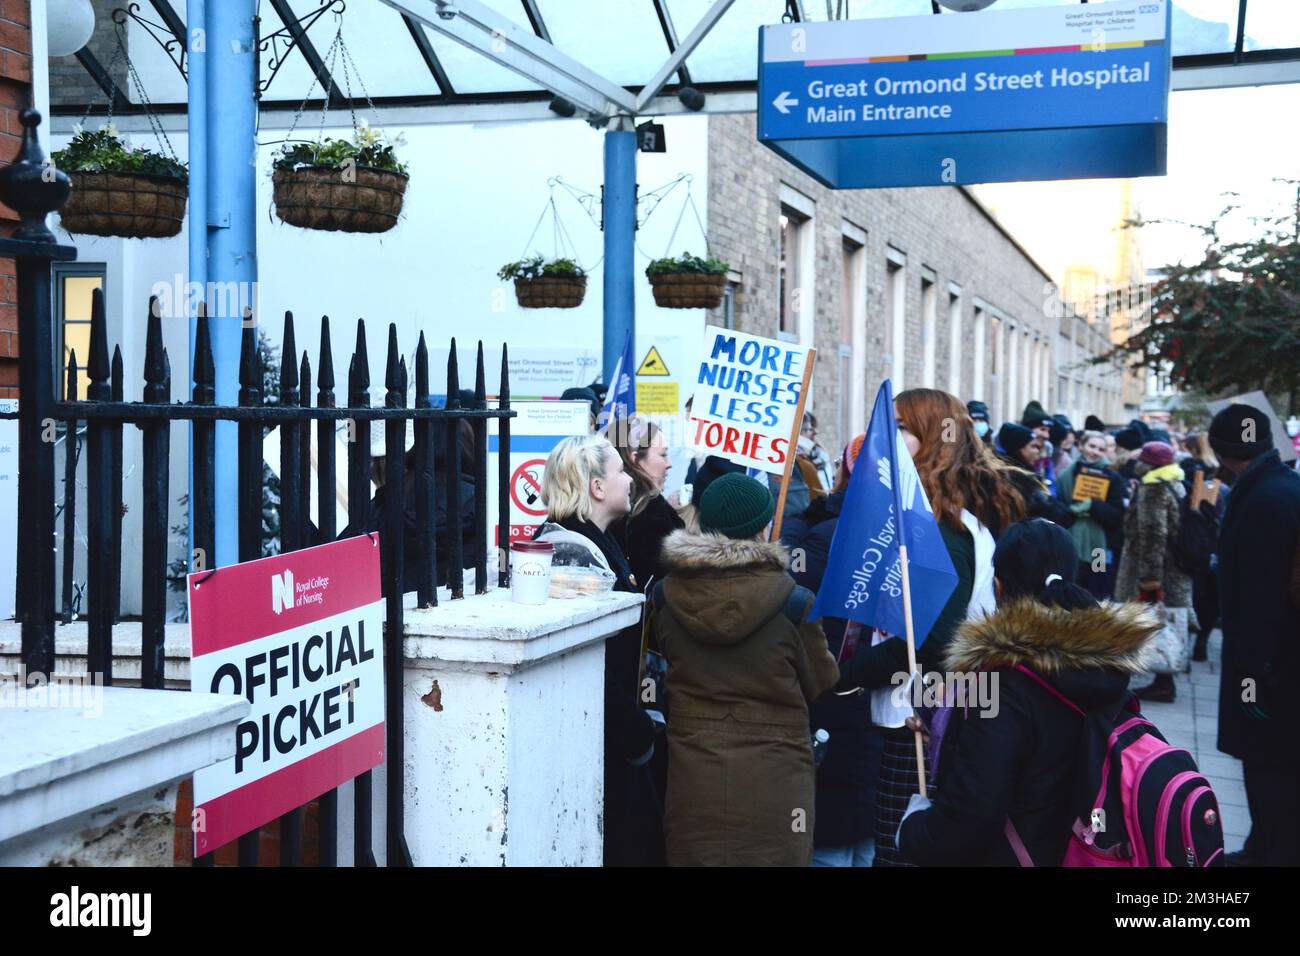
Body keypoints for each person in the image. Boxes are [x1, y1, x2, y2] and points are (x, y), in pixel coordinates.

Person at [896, 519, 1158, 866]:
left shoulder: (1002, 683)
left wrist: (914, 830)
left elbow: (971, 816)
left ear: (999, 587)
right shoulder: (1106, 668)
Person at [837, 388, 1023, 866]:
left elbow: (928, 642)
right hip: (915, 715)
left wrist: (839, 678)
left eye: (901, 428)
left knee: (901, 855)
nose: (887, 437)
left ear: (934, 439)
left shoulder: (941, 529)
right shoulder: (924, 520)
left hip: (921, 721)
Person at [652, 473, 839, 865]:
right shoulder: (794, 602)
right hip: (777, 782)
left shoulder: (666, 597)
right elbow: (822, 681)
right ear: (764, 526)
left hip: (694, 774)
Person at [533, 434, 663, 866]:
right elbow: (586, 660)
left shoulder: (594, 541)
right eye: (621, 472)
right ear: (596, 488)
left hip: (609, 739)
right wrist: (635, 731)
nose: (630, 479)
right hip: (602, 744)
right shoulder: (571, 553)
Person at [781, 433, 885, 867]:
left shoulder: (832, 533)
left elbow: (792, 590)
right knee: (846, 841)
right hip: (852, 699)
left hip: (847, 700)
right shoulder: (838, 533)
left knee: (846, 841)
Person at [1208, 404, 1300, 867]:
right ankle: (1269, 845)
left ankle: (1270, 851)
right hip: (1276, 659)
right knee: (1273, 760)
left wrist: (1254, 671)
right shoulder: (1280, 486)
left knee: (1268, 761)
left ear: (1221, 452)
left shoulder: (1265, 497)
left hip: (1270, 663)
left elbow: (1261, 594)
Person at [1114, 441, 1191, 704]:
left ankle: (1159, 680)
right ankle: (1162, 680)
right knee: (1161, 622)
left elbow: (1152, 534)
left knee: (1146, 622)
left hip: (1151, 568)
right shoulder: (1175, 482)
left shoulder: (1153, 488)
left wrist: (1149, 579)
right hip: (1172, 567)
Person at [606, 414, 684, 589]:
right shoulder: (653, 517)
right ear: (635, 460)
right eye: (663, 454)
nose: (669, 463)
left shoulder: (602, 510)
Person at [1056, 430, 1126, 600]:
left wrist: (1094, 505)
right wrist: (1072, 510)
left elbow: (1118, 517)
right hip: (1070, 543)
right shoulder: (1065, 475)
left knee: (1098, 588)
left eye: (1101, 449)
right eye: (1092, 446)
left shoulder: (1113, 478)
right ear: (1081, 446)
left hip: (1100, 547)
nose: (1095, 452)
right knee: (1072, 588)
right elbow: (1058, 511)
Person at [1181, 431, 1224, 662]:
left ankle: (1187, 641)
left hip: (1193, 540)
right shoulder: (1221, 471)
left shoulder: (1188, 468)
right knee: (1210, 597)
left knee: (1194, 594)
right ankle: (1202, 641)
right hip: (1216, 541)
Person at [996, 422, 1076, 528]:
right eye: (1033, 446)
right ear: (1019, 448)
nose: (1037, 451)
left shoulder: (1027, 474)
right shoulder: (1018, 480)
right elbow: (1048, 510)